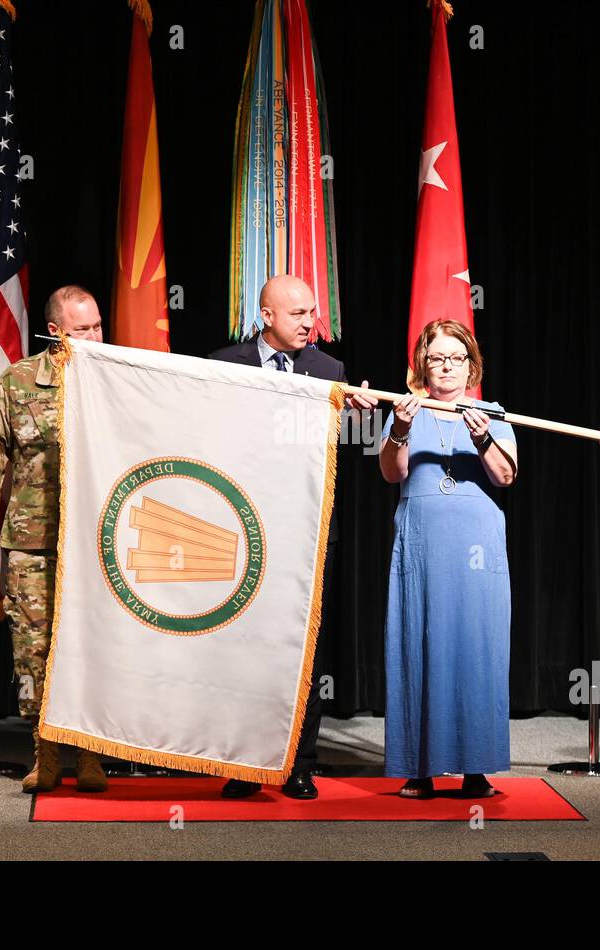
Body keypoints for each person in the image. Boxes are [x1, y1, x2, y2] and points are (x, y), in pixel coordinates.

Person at [208, 274, 378, 800]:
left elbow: (331, 456)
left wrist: (354, 421)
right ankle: (245, 765)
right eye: (298, 314)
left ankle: (301, 763)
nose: (310, 323)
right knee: (245, 650)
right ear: (266, 316)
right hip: (240, 530)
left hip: (303, 535)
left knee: (304, 651)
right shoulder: (223, 365)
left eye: (312, 312)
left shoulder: (330, 371)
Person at [0, 285, 110, 794]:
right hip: (33, 543)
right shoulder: (20, 381)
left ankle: (90, 756)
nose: (94, 336)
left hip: (99, 543)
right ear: (55, 331)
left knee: (93, 649)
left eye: (97, 325)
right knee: (34, 652)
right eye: (81, 329)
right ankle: (45, 754)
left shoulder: (119, 378)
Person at [378, 319, 518, 799]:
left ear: (471, 364)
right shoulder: (407, 411)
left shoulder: (493, 413)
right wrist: (398, 429)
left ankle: (475, 767)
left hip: (476, 550)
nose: (447, 367)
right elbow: (391, 472)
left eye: (456, 357)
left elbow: (505, 477)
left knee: (475, 648)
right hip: (421, 546)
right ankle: (419, 767)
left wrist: (482, 439)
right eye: (437, 358)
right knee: (419, 645)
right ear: (423, 364)